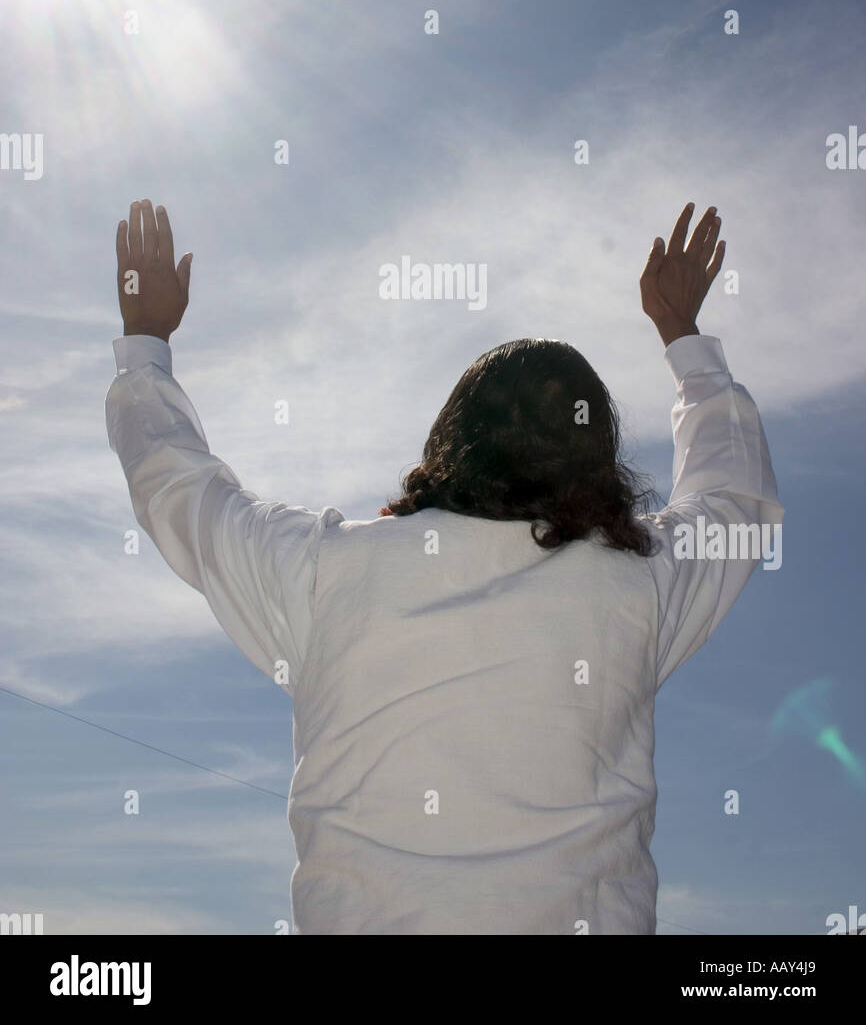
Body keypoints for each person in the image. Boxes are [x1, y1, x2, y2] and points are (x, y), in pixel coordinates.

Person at [107, 199, 783, 935]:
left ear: (449, 440)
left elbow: (179, 486)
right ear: (598, 460)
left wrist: (146, 340)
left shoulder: (323, 572)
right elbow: (735, 501)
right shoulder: (638, 588)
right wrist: (683, 336)